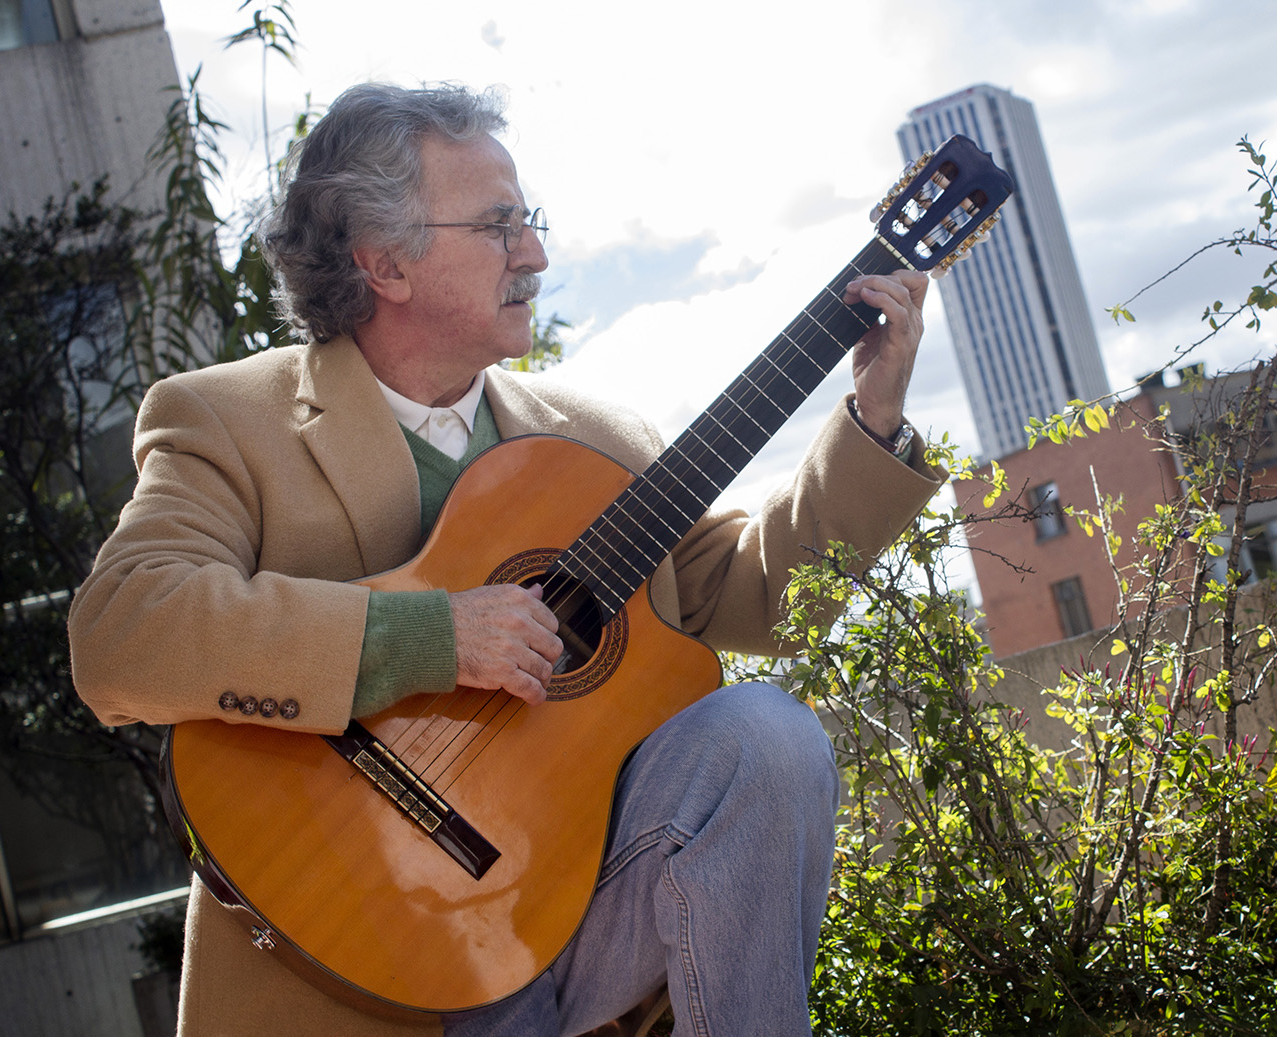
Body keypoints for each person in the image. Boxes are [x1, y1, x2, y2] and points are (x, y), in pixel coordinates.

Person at [68, 82, 943, 1037]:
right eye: (499, 226)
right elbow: (123, 633)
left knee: (765, 737)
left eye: (530, 223)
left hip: (573, 912)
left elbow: (761, 603)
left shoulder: (601, 437)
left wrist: (872, 420)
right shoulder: (228, 420)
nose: (534, 253)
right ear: (385, 262)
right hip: (360, 947)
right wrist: (431, 635)